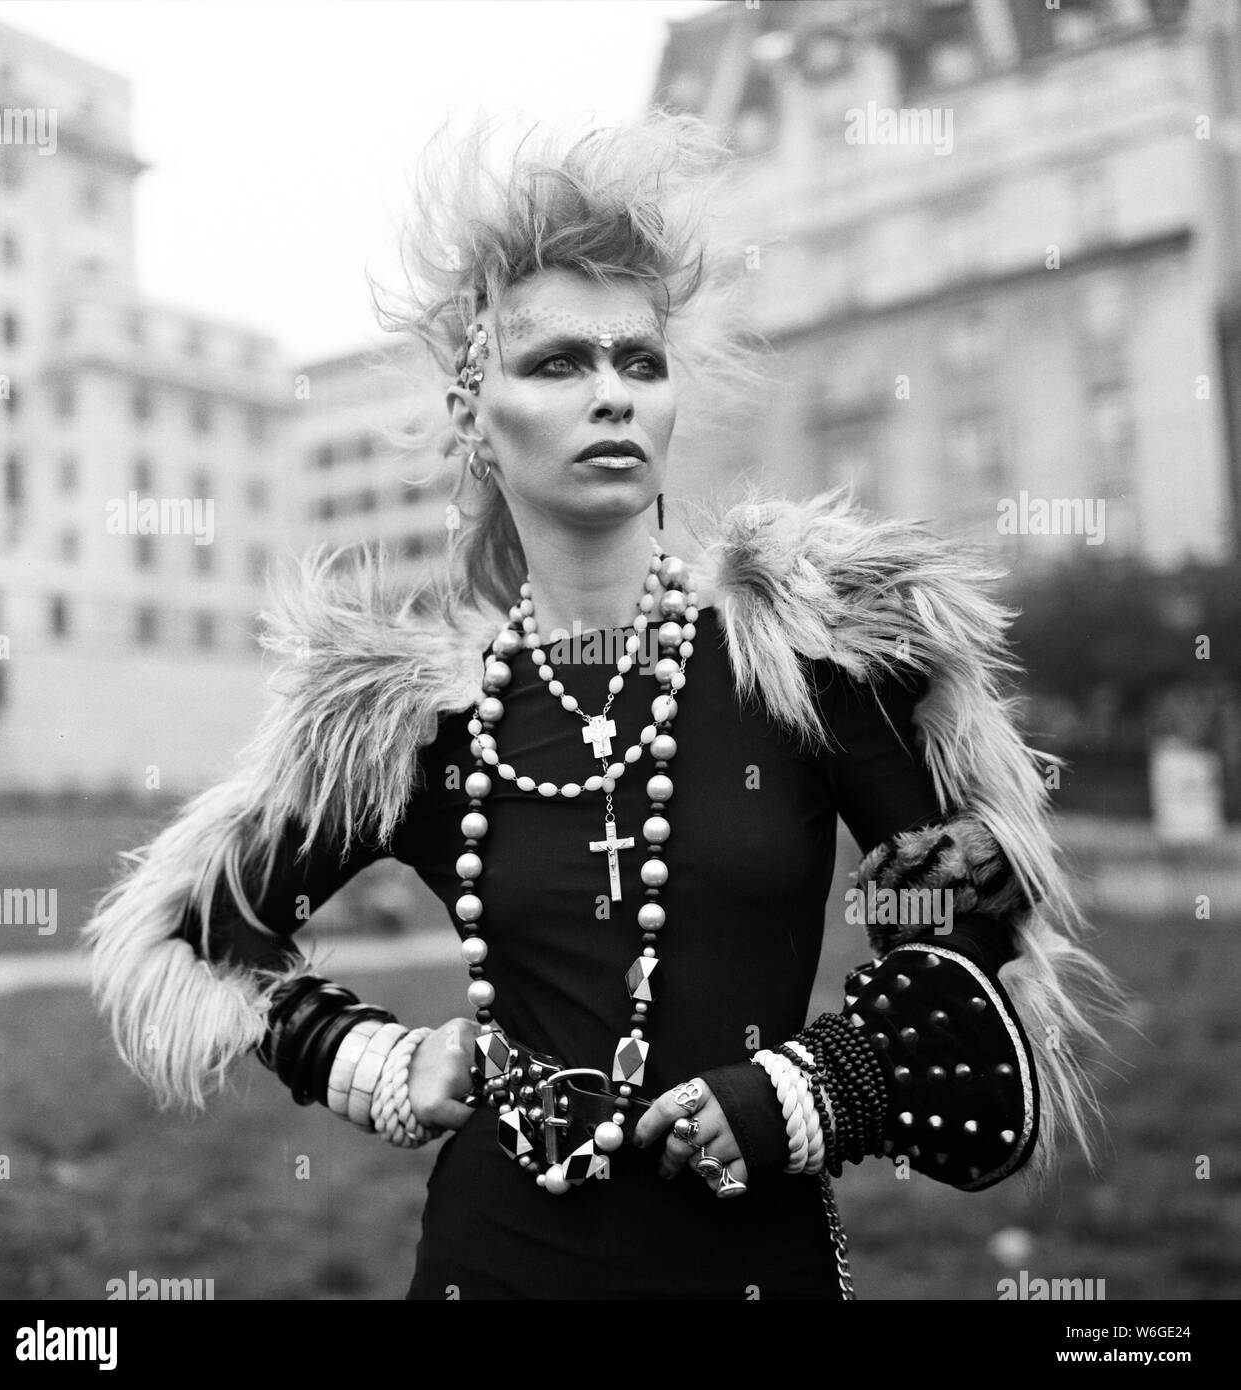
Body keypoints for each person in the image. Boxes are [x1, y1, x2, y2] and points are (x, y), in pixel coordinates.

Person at [83, 111, 1123, 1300]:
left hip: (751, 1261)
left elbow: (976, 935)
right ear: (477, 414)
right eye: (558, 362)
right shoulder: (411, 725)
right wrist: (366, 1058)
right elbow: (193, 931)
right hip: (490, 1258)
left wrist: (816, 1088)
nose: (612, 394)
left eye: (640, 360)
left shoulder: (808, 657)